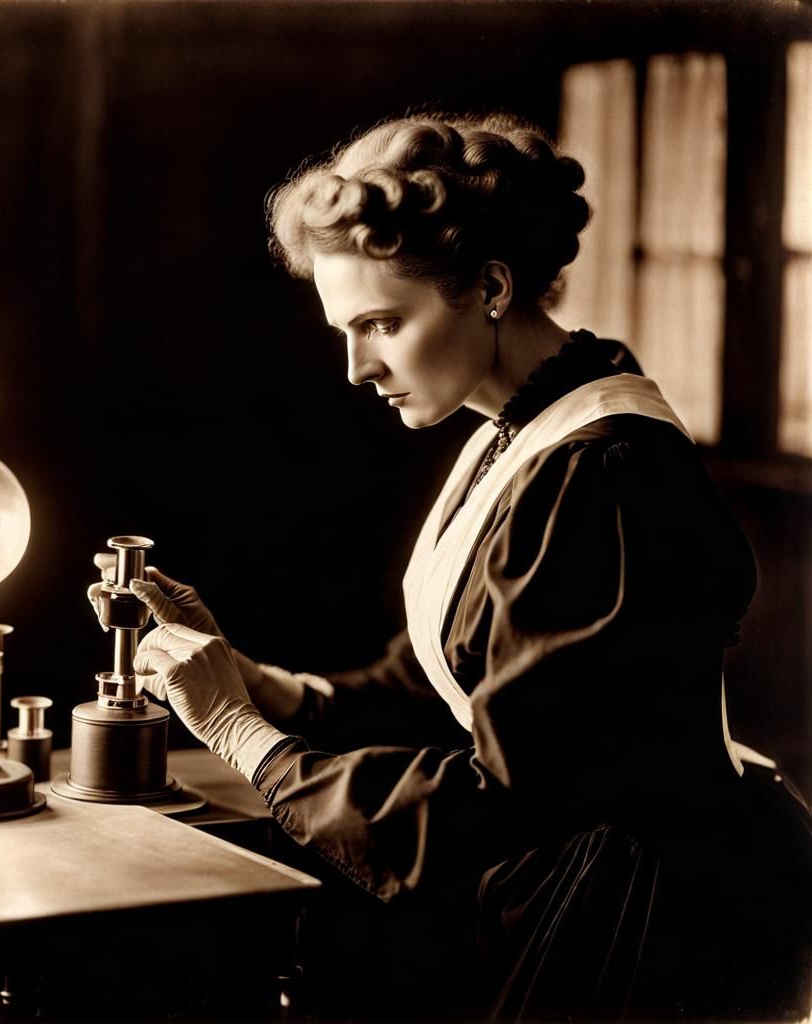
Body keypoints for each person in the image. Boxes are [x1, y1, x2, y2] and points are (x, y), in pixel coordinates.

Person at [129, 113, 812, 1020]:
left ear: (490, 286)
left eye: (381, 323)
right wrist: (264, 687)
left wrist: (245, 738)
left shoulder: (601, 469)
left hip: (655, 912)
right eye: (345, 329)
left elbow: (502, 789)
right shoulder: (522, 426)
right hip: (575, 873)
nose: (356, 368)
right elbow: (453, 678)